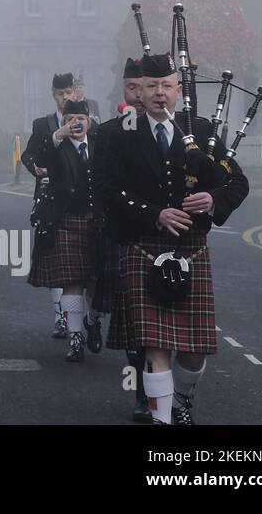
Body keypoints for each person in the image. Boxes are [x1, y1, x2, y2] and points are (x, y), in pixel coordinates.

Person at [101, 53, 250, 425]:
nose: (159, 93)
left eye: (166, 85)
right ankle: (162, 419)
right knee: (155, 344)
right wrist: (155, 213)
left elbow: (237, 183)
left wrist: (213, 198)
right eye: (151, 86)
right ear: (139, 90)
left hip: (191, 249)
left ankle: (182, 400)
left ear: (179, 89)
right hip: (144, 246)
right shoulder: (119, 133)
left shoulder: (201, 131)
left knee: (194, 351)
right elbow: (108, 191)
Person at [93, 56, 152, 420]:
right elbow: (101, 187)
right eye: (133, 87)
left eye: (148, 87)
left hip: (170, 239)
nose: (141, 95)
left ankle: (170, 395)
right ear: (125, 91)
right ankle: (144, 394)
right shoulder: (109, 133)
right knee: (136, 321)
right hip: (125, 237)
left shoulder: (181, 132)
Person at [27, 99, 101, 363]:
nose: (76, 123)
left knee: (98, 282)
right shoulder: (57, 146)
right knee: (73, 282)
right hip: (66, 220)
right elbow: (39, 158)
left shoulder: (100, 144)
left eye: (81, 118)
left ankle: (92, 320)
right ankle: (75, 338)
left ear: (89, 121)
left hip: (98, 223)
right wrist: (58, 135)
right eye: (70, 119)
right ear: (63, 122)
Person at [21, 72, 80, 339]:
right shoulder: (43, 124)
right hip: (50, 201)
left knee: (83, 268)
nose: (64, 98)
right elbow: (29, 155)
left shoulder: (89, 119)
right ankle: (60, 318)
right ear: (53, 95)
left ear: (75, 92)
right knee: (58, 264)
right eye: (60, 93)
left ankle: (86, 317)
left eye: (68, 92)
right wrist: (35, 167)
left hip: (82, 200)